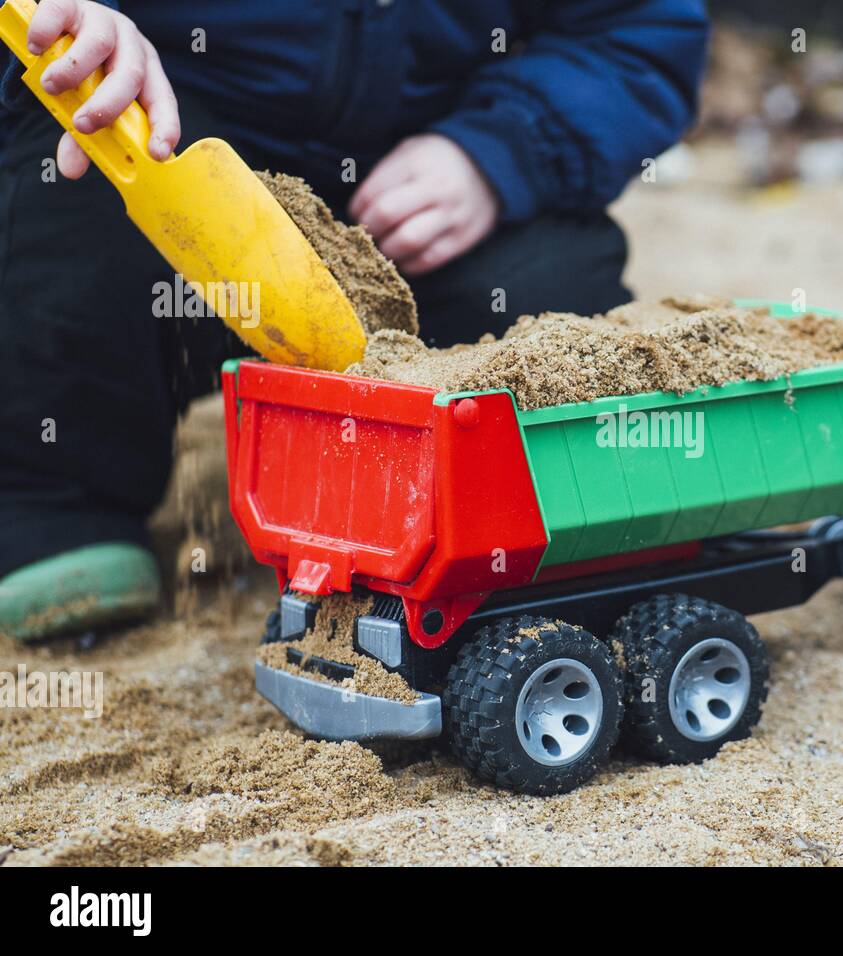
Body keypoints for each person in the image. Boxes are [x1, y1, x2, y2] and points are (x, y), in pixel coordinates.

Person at [0, 0, 708, 640]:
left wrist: (500, 151)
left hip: (410, 188)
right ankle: (57, 494)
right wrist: (73, 24)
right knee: (70, 188)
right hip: (169, 150)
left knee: (551, 280)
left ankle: (475, 515)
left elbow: (636, 30)